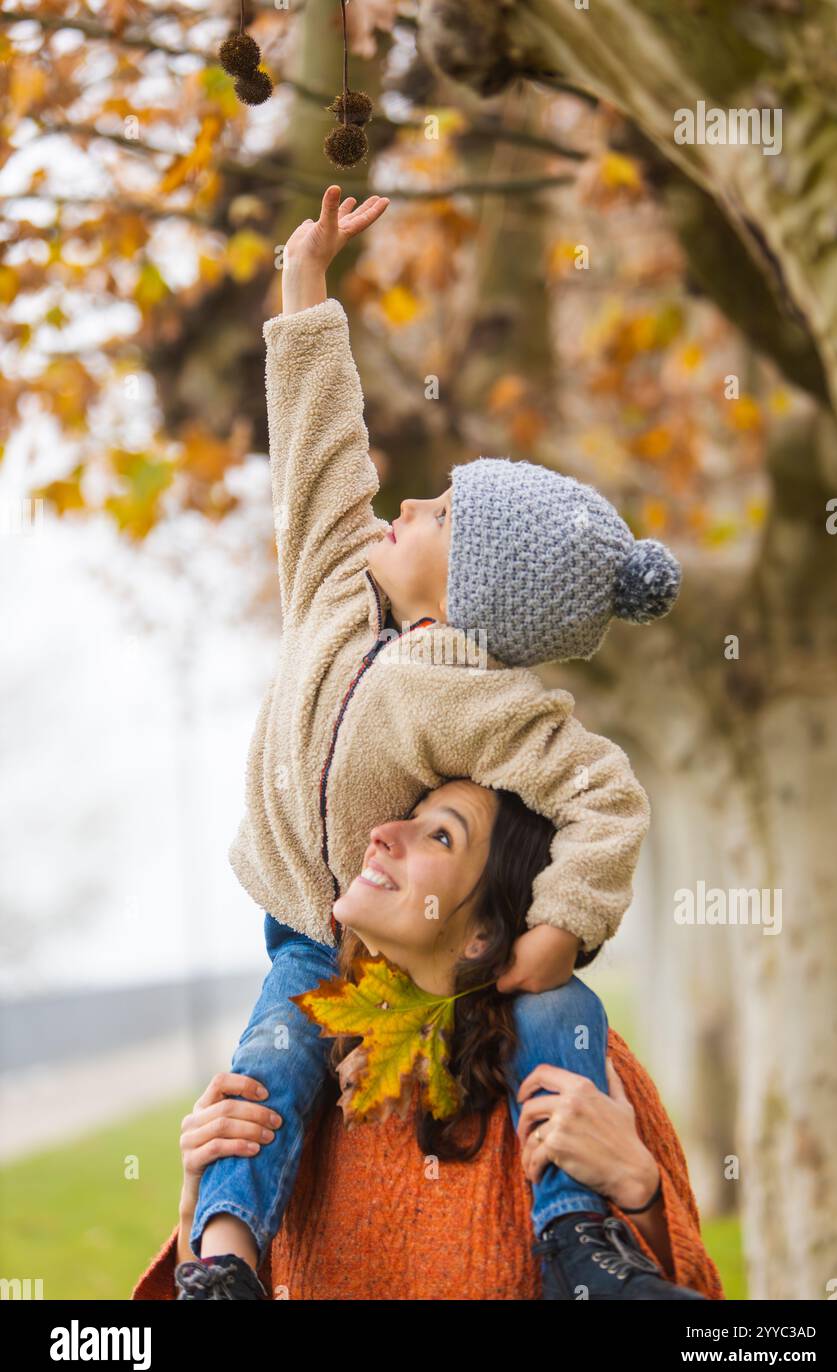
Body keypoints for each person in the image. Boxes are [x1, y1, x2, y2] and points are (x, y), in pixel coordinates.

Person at [185, 185, 683, 1297]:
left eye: (442, 515)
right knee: (266, 1073)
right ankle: (223, 1257)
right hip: (300, 918)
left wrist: (559, 927)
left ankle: (576, 1238)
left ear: (468, 600)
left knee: (303, 1048)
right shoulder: (330, 589)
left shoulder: (468, 697)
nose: (407, 503)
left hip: (339, 951)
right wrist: (304, 290)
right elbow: (320, 456)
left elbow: (604, 792)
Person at [133, 782, 722, 1301]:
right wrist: (195, 1208)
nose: (384, 833)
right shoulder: (301, 1079)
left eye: (440, 837)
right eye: (406, 816)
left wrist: (639, 1194)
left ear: (483, 934)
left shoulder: (579, 1072)